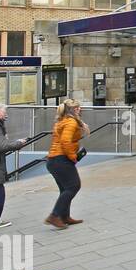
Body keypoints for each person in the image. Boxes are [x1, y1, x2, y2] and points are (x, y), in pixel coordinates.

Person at [44, 98, 89, 229]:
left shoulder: (62, 121)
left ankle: (64, 217)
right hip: (61, 160)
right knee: (73, 186)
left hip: (54, 160)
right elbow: (65, 142)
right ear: (72, 110)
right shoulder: (71, 122)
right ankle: (54, 216)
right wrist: (73, 156)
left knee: (65, 189)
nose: (80, 109)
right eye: (77, 108)